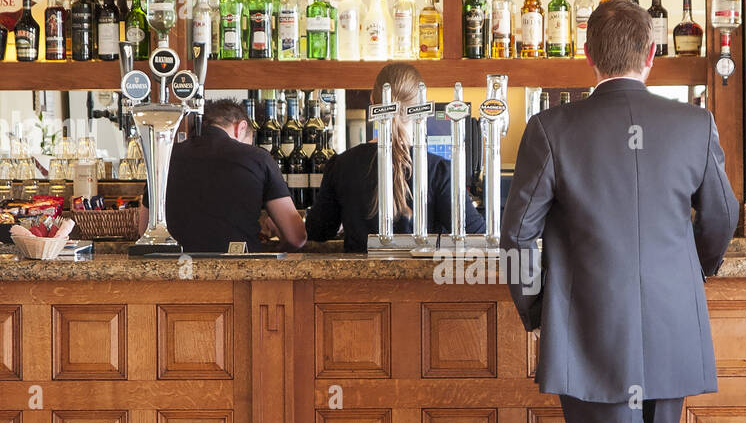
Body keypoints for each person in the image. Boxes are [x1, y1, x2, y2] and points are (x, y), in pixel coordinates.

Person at [500, 0, 738, 423]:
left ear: (587, 56)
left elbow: (516, 236)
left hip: (589, 334)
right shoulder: (693, 123)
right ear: (652, 54)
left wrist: (536, 312)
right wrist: (697, 270)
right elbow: (721, 217)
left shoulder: (551, 128)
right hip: (673, 324)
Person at [305, 63, 485, 251]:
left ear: (373, 100)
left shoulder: (342, 165)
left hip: (359, 271)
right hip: (424, 270)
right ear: (421, 108)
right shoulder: (440, 171)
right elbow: (477, 237)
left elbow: (318, 230)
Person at [137, 98, 306, 252]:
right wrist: (279, 244)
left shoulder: (164, 156)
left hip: (173, 269)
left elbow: (144, 230)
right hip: (240, 270)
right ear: (240, 128)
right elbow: (296, 238)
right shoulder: (258, 158)